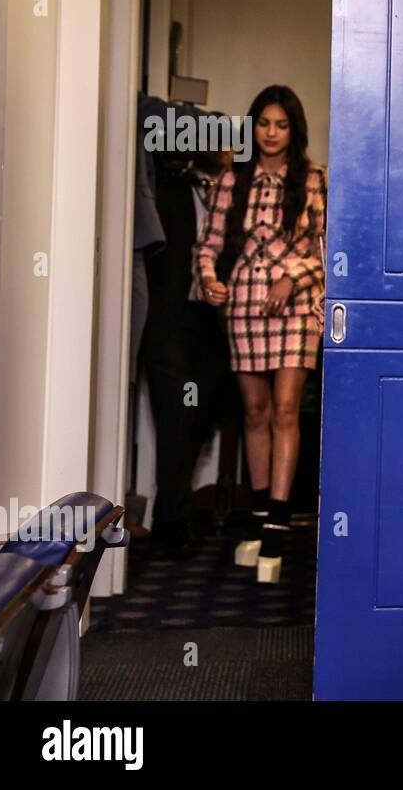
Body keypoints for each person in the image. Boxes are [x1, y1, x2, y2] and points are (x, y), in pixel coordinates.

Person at [191, 85, 327, 583]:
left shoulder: (313, 179)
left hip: (295, 303)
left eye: (282, 124)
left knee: (287, 408)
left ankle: (276, 523)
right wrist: (208, 278)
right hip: (246, 300)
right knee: (254, 412)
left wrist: (293, 275)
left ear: (295, 130)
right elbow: (208, 243)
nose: (272, 133)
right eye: (264, 124)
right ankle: (256, 518)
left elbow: (324, 244)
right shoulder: (232, 178)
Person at [141, 131, 236, 560]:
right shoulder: (168, 188)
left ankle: (178, 511)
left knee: (201, 415)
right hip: (169, 320)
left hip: (214, 323)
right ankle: (172, 519)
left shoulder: (241, 193)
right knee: (177, 413)